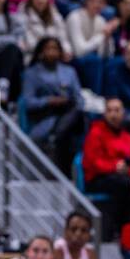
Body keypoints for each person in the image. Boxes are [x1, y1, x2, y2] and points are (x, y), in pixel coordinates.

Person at [81, 98, 130, 234]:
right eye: (109, 110)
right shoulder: (96, 133)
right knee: (124, 185)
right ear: (104, 113)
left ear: (123, 113)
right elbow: (94, 162)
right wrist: (115, 166)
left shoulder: (128, 137)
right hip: (97, 177)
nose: (113, 114)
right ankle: (122, 228)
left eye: (117, 110)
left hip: (121, 177)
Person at [22, 37, 82, 173]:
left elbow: (79, 99)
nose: (52, 52)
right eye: (48, 48)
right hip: (47, 116)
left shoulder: (69, 71)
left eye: (55, 48)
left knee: (77, 114)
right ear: (41, 52)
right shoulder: (32, 73)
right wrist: (49, 101)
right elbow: (28, 102)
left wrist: (67, 101)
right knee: (66, 129)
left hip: (70, 114)